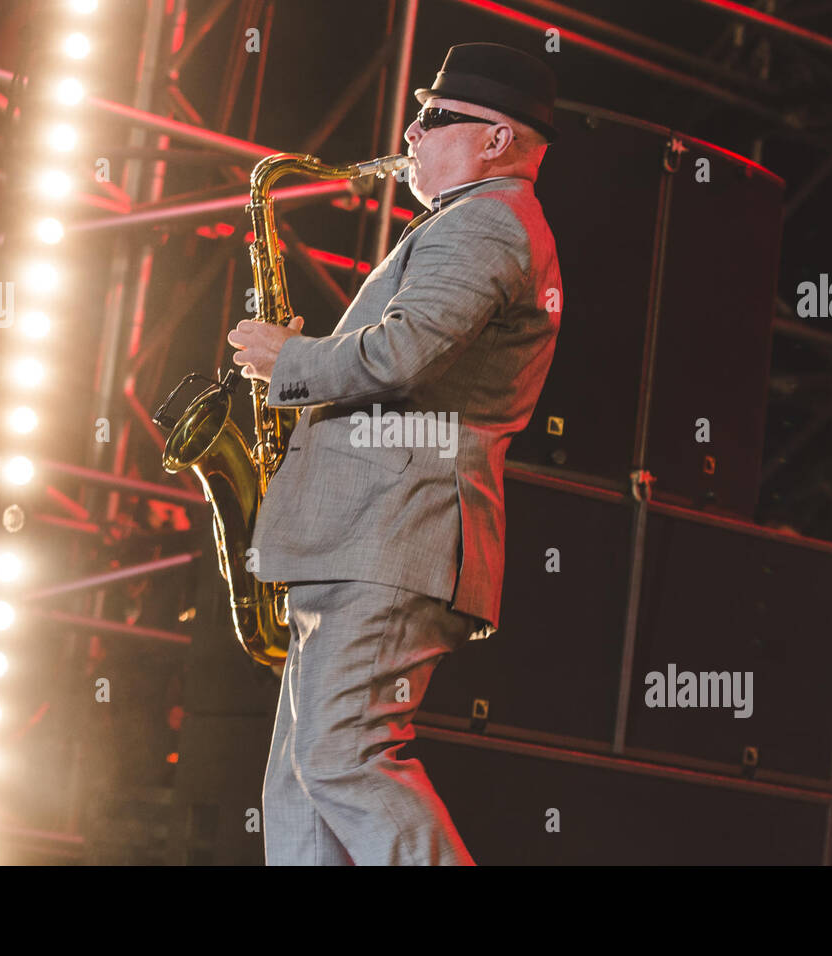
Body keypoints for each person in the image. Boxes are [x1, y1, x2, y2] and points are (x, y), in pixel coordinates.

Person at [226, 42, 562, 865]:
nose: (412, 131)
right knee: (300, 787)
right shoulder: (475, 220)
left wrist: (290, 361)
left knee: (342, 758)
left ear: (495, 138)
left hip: (394, 535)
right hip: (365, 536)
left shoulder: (488, 220)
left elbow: (403, 353)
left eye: (436, 116)